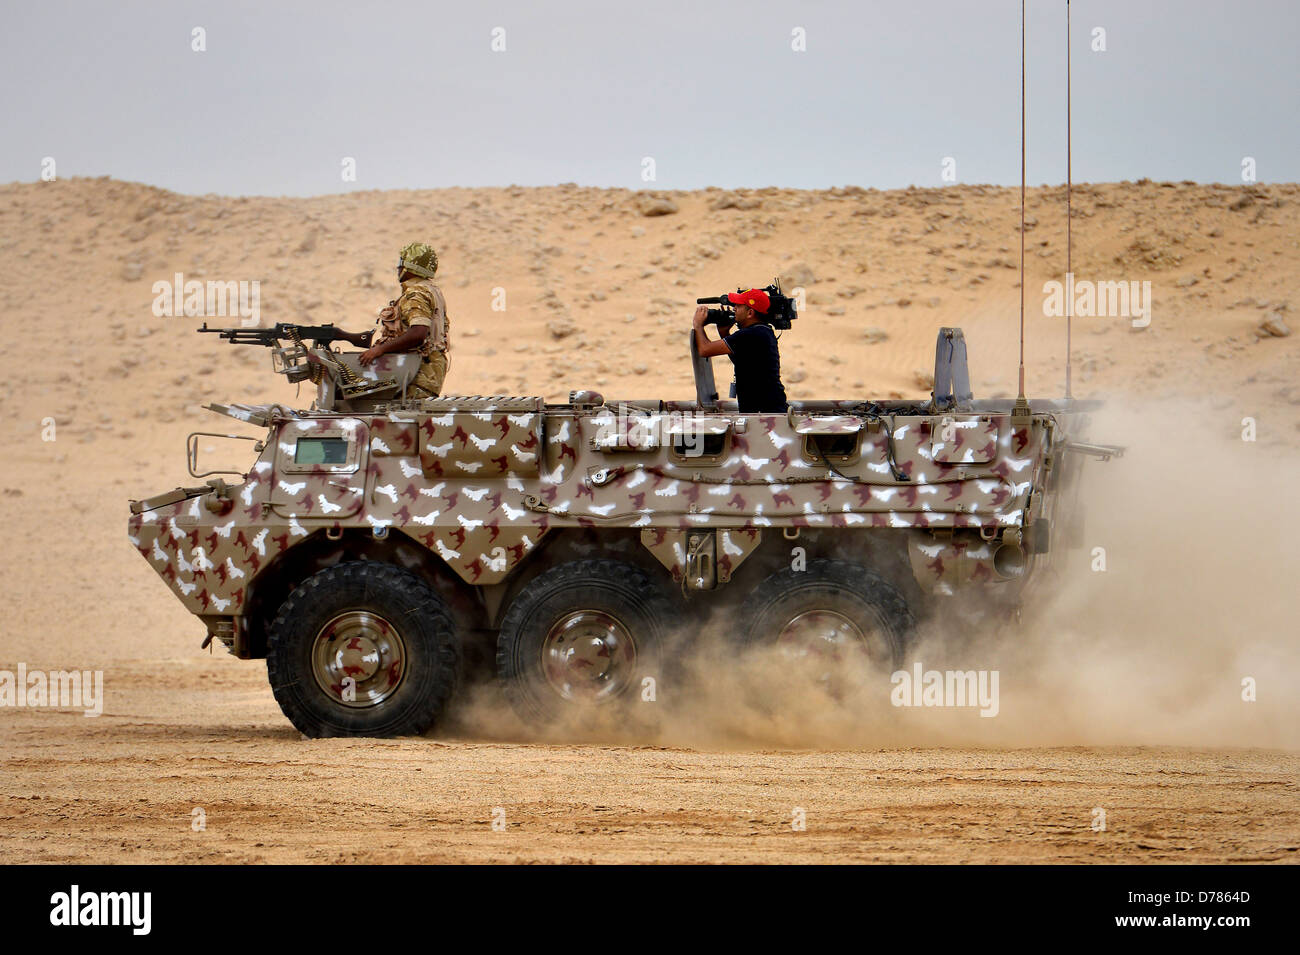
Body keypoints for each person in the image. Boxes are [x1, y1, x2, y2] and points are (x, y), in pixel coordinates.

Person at [358, 242, 451, 398]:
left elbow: (418, 333)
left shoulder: (416, 294)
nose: (398, 269)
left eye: (401, 264)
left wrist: (379, 350)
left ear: (410, 267)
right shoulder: (432, 290)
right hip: (428, 370)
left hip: (417, 372)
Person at [692, 288, 788, 413]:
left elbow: (704, 350)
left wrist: (698, 325)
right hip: (767, 410)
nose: (734, 308)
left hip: (765, 414)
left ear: (750, 313)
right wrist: (724, 332)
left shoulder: (751, 334)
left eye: (738, 305)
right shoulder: (762, 331)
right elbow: (741, 361)